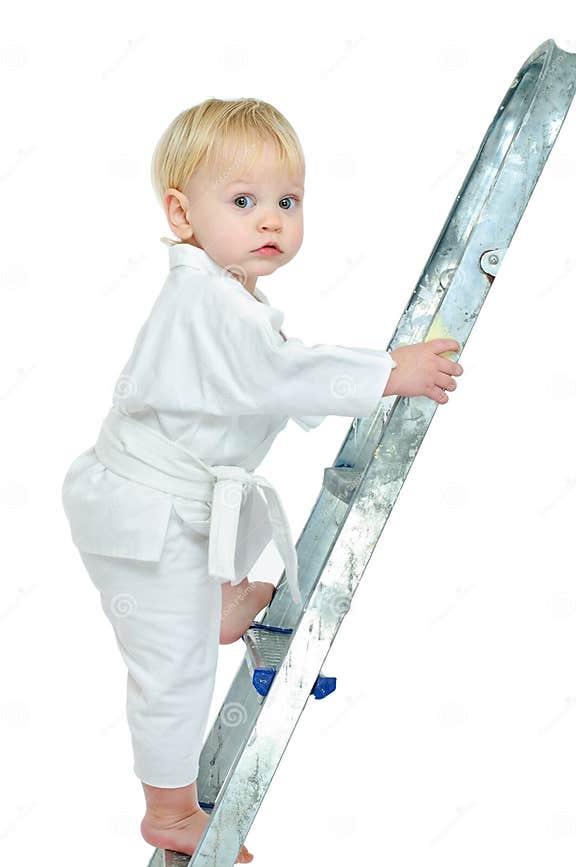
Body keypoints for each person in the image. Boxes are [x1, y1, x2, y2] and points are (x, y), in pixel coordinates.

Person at [61, 97, 463, 863]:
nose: (272, 220)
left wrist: (353, 376)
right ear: (182, 214)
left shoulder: (231, 298)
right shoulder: (203, 301)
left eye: (288, 200)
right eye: (243, 201)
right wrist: (389, 371)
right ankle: (169, 808)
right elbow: (282, 375)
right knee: (173, 666)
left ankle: (212, 601)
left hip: (164, 501)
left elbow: (277, 373)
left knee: (223, 513)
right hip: (139, 509)